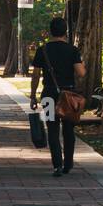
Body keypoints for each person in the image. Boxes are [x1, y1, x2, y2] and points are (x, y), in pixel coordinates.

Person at [29, 17, 85, 176]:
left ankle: (57, 165)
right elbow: (81, 73)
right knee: (68, 130)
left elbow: (35, 76)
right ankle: (68, 164)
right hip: (69, 95)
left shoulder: (43, 50)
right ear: (65, 32)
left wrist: (33, 96)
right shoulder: (72, 50)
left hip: (48, 93)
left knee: (52, 130)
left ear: (50, 31)